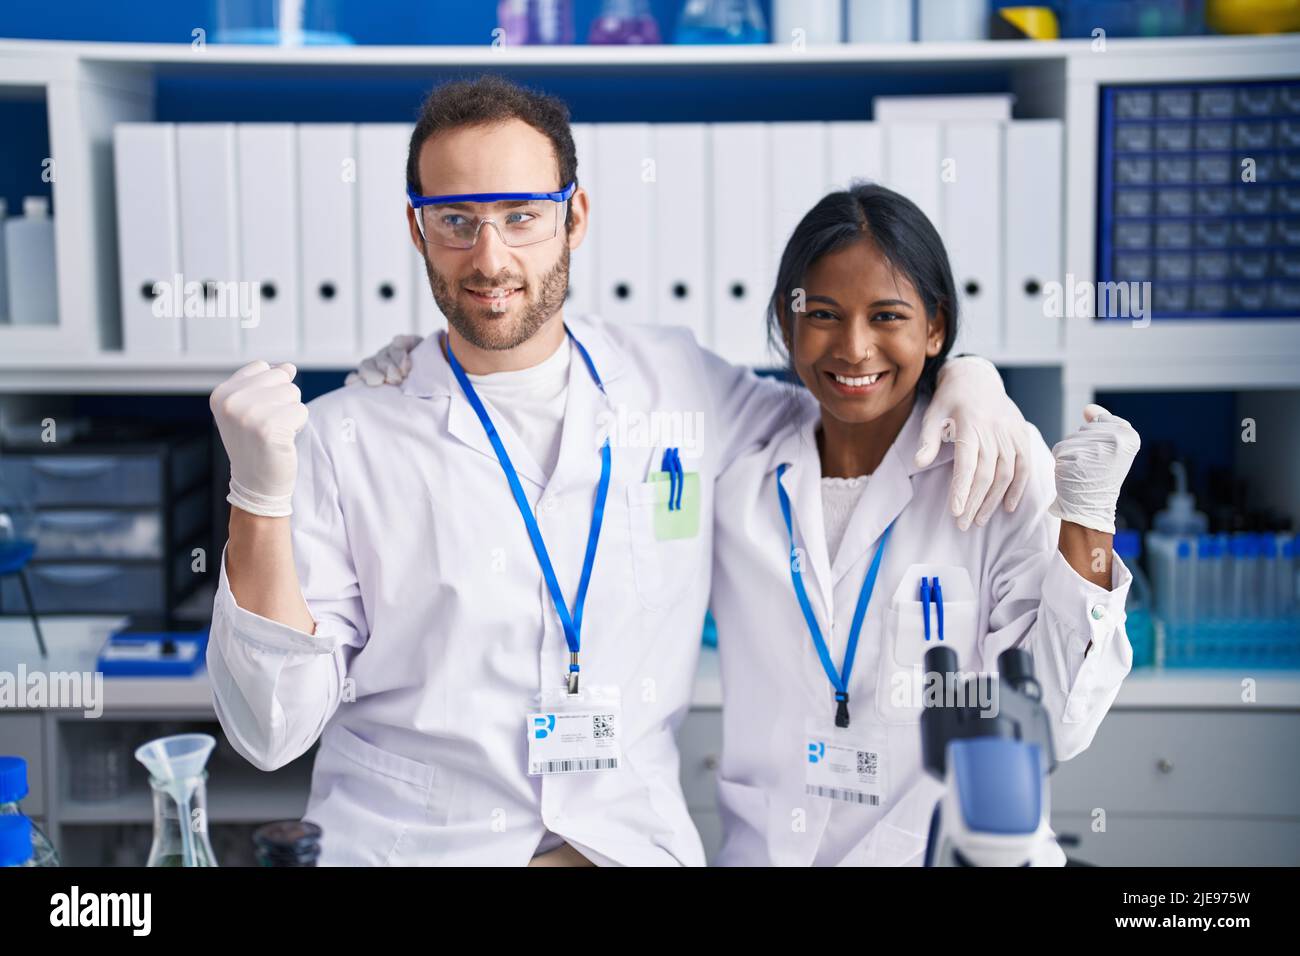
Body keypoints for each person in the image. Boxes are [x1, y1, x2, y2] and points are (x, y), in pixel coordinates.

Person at [208, 75, 1034, 866]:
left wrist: (967, 376)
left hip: (626, 847)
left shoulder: (674, 380)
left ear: (575, 217)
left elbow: (842, 408)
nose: (489, 258)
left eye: (522, 216)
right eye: (456, 219)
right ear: (417, 230)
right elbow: (272, 729)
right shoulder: (345, 435)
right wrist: (257, 496)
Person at [705, 183, 1139, 865]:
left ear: (934, 327)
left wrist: (1086, 522)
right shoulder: (739, 478)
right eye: (822, 313)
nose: (853, 348)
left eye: (887, 316)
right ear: (786, 324)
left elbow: (1055, 723)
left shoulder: (994, 463)